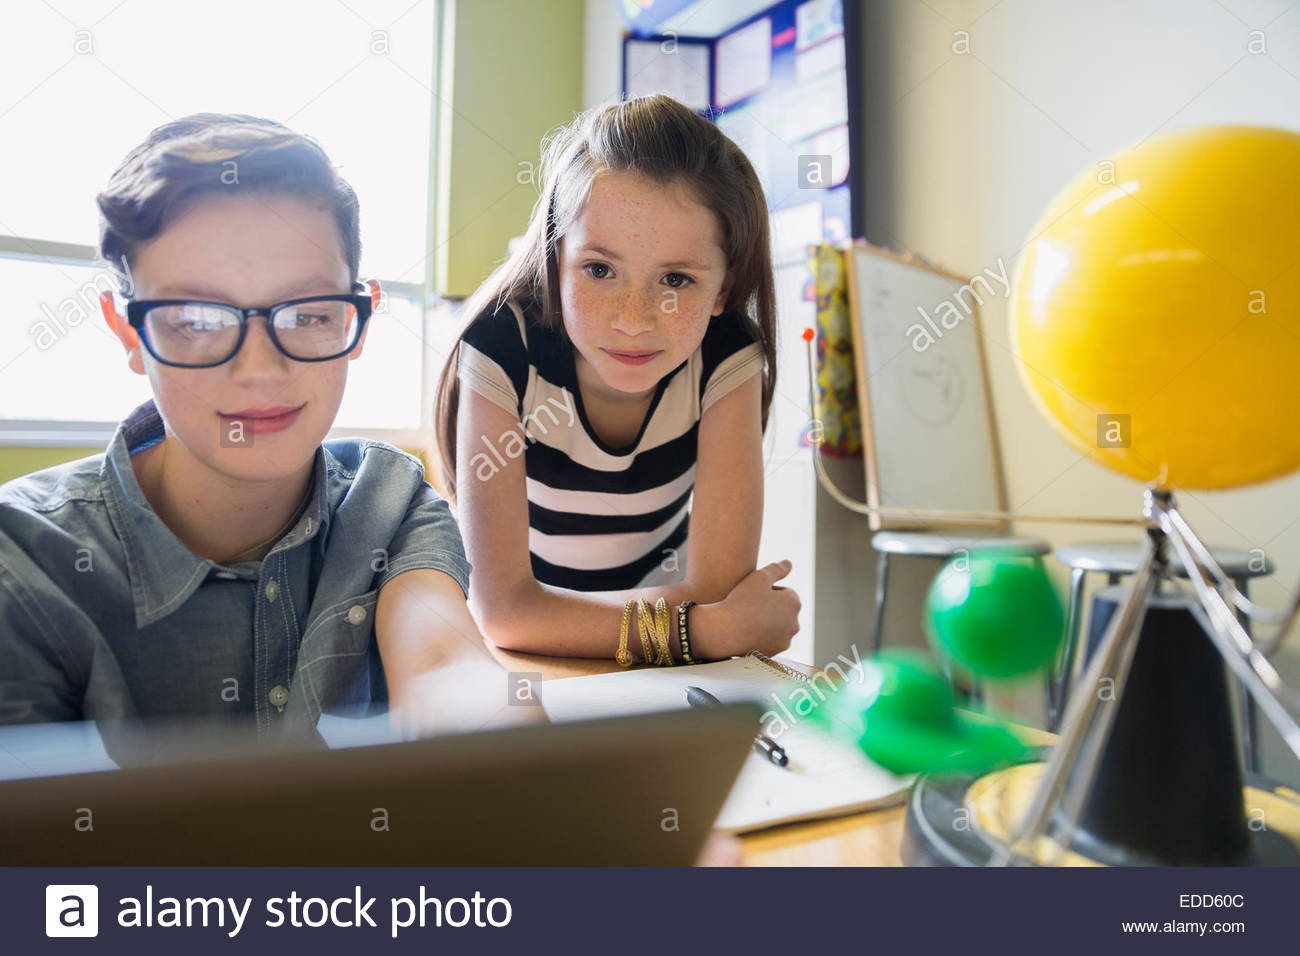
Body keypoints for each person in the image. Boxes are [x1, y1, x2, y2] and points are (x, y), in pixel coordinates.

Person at [0, 114, 536, 740]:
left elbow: (444, 662)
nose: (261, 370)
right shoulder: (25, 558)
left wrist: (502, 741)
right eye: (197, 320)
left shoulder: (387, 500)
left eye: (308, 314)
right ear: (130, 334)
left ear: (355, 319)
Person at [433, 94, 801, 664]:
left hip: (655, 666)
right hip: (524, 665)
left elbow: (714, 594)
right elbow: (504, 614)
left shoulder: (728, 357)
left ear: (724, 289)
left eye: (676, 279)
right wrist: (701, 632)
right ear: (555, 259)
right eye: (599, 269)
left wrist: (700, 619)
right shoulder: (502, 345)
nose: (633, 320)